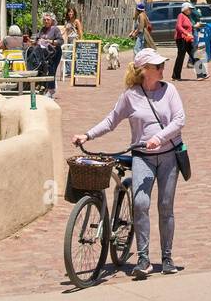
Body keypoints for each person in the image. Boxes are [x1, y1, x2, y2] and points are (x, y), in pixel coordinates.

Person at [72, 48, 184, 278]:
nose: (163, 68)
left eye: (162, 64)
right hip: (142, 156)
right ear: (145, 70)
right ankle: (143, 258)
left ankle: (167, 256)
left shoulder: (170, 90)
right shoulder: (130, 96)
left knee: (165, 206)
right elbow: (111, 120)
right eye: (158, 66)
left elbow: (179, 119)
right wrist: (87, 135)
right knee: (141, 203)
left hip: (169, 155)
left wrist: (159, 138)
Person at [29, 12, 66, 97]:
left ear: (52, 20)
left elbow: (61, 41)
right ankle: (45, 87)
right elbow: (37, 38)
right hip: (44, 53)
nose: (46, 21)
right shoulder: (42, 29)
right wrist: (34, 42)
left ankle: (51, 90)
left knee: (51, 70)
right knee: (42, 69)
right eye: (44, 19)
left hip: (54, 53)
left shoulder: (55, 29)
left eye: (48, 19)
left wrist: (51, 41)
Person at [172, 3, 196, 81]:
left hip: (188, 40)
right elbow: (178, 26)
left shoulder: (187, 17)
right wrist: (186, 33)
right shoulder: (181, 15)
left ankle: (202, 74)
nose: (191, 10)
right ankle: (176, 76)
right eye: (190, 9)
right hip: (181, 39)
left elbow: (189, 27)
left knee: (194, 54)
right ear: (185, 9)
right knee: (180, 57)